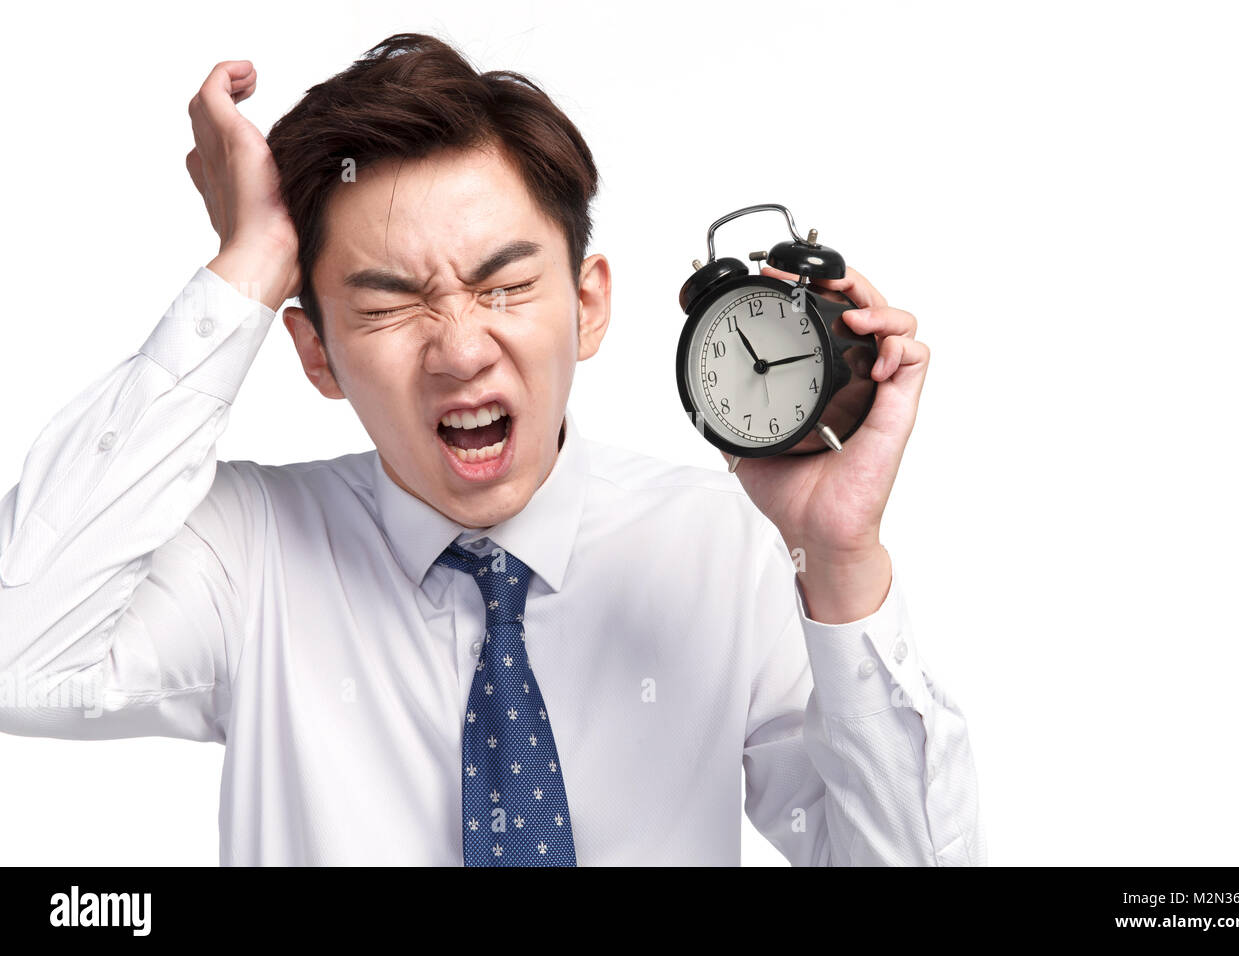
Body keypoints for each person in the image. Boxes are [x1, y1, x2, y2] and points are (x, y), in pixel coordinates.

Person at [0, 32, 985, 866]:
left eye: (505, 285)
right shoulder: (250, 552)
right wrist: (248, 261)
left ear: (589, 303)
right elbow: (19, 656)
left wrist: (841, 559)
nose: (461, 350)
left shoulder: (726, 551)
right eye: (388, 303)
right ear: (316, 353)